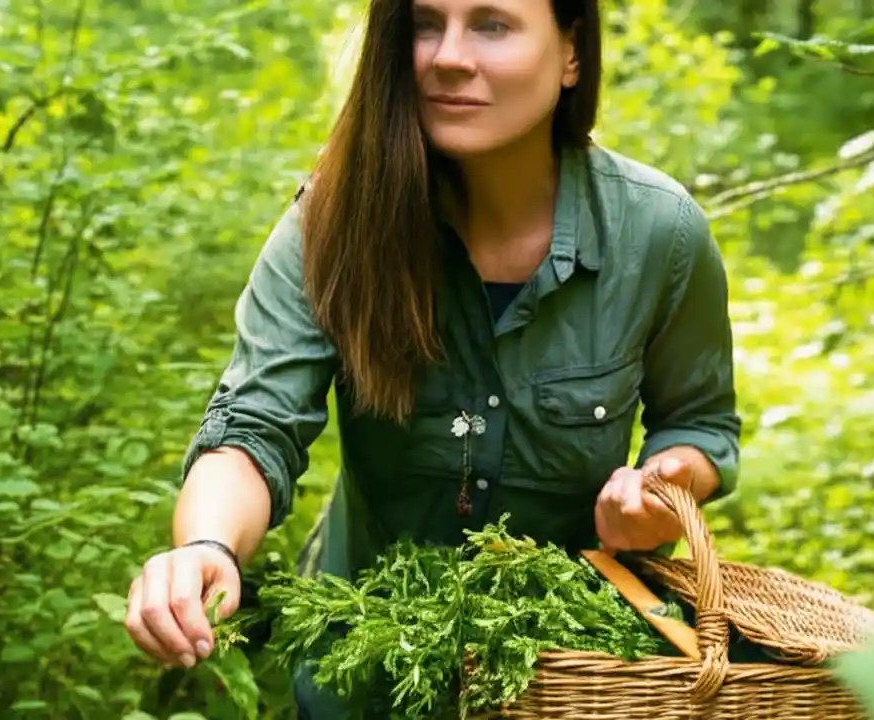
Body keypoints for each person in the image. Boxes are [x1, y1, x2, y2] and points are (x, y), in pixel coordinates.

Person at [123, 0, 741, 716]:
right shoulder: (333, 224)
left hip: (573, 677)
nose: (447, 55)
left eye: (491, 23)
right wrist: (208, 546)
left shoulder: (659, 234)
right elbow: (255, 423)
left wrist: (663, 492)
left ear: (572, 51)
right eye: (423, 23)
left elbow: (700, 425)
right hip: (362, 672)